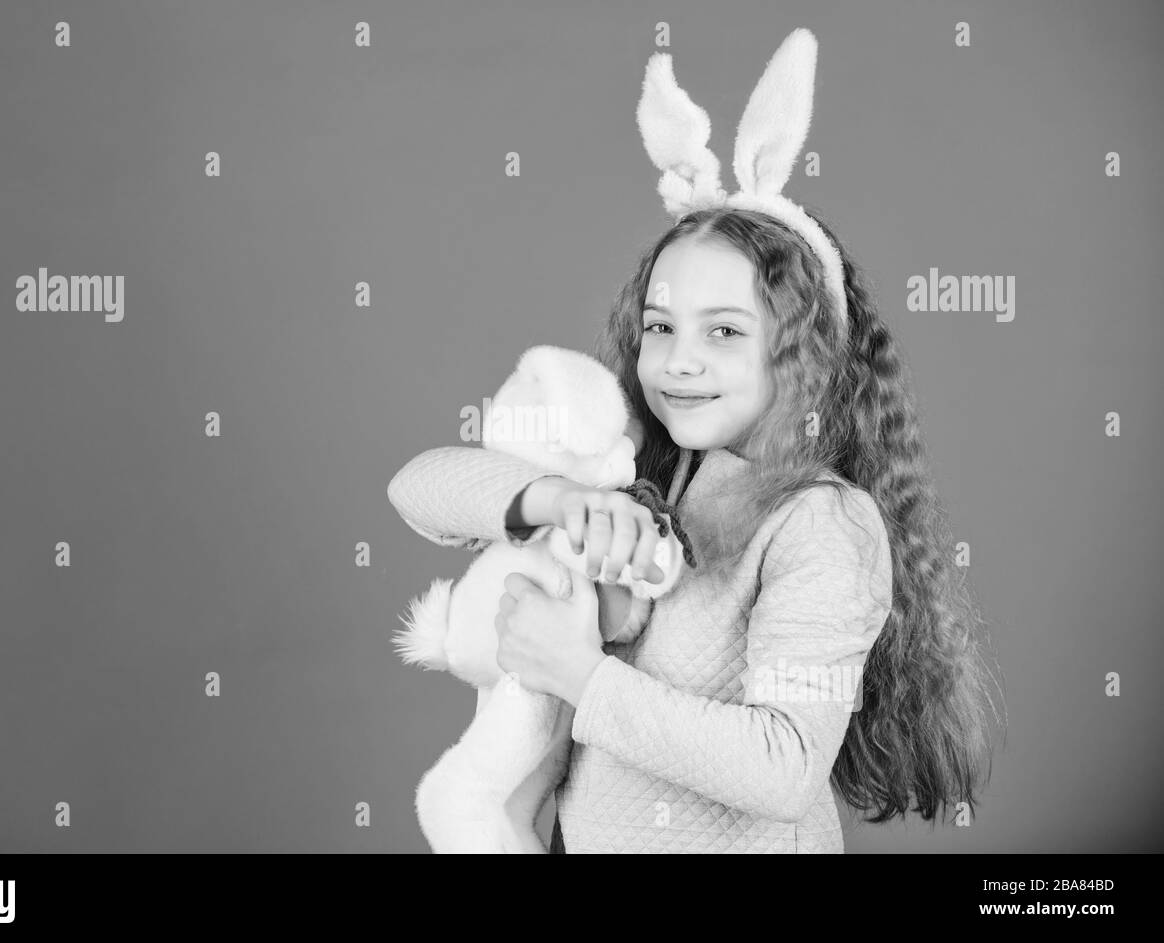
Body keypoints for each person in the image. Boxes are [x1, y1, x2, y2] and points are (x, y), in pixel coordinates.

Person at [389, 201, 1006, 852]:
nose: (679, 361)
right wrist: (559, 498)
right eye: (661, 326)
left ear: (804, 353)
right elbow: (417, 488)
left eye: (724, 332)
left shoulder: (822, 520)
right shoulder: (638, 467)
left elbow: (784, 768)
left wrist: (576, 671)